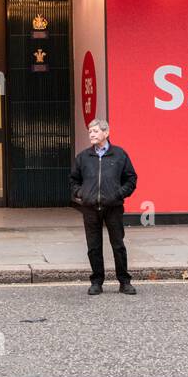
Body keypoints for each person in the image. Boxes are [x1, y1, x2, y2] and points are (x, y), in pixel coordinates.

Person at [69, 118, 137, 295]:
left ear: (106, 133)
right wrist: (81, 193)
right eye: (90, 131)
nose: (91, 134)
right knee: (93, 247)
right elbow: (74, 180)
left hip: (113, 207)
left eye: (95, 131)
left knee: (118, 245)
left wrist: (118, 194)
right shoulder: (83, 157)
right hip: (90, 208)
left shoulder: (120, 155)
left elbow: (131, 179)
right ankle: (97, 281)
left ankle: (124, 281)